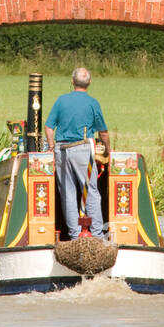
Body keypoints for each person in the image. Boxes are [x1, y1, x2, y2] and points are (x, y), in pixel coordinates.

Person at [44, 67, 110, 240]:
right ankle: (96, 235)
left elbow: (49, 126)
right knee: (91, 192)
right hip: (83, 149)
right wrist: (109, 150)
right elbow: (103, 132)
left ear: (72, 81)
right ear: (89, 83)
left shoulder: (61, 100)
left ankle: (74, 236)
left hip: (62, 150)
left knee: (68, 193)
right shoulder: (92, 103)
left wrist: (51, 146)